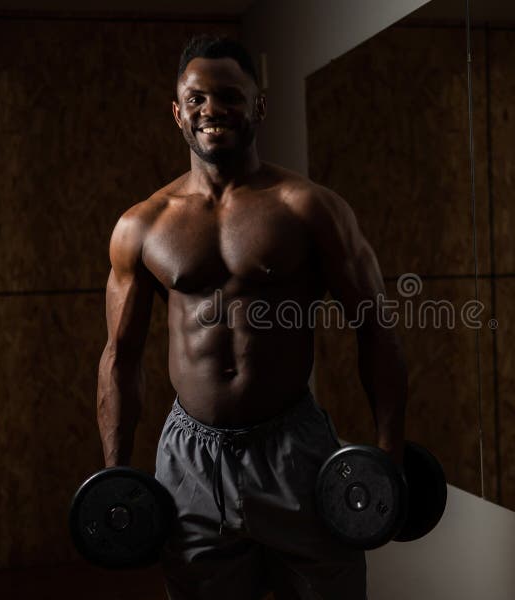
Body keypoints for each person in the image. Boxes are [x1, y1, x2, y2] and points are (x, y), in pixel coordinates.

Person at [95, 34, 407, 599]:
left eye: (230, 96)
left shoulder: (309, 208)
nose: (212, 110)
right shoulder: (143, 226)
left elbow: (376, 329)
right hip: (190, 458)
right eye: (196, 99)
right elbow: (120, 358)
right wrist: (115, 474)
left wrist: (389, 453)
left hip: (293, 446)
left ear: (258, 105)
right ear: (177, 112)